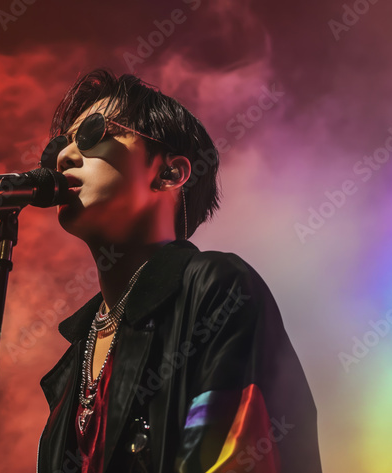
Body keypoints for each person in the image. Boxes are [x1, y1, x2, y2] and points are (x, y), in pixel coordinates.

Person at [35, 69, 322, 473]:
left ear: (169, 174)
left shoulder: (217, 287)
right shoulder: (79, 350)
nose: (64, 156)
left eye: (94, 134)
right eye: (60, 146)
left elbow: (234, 454)